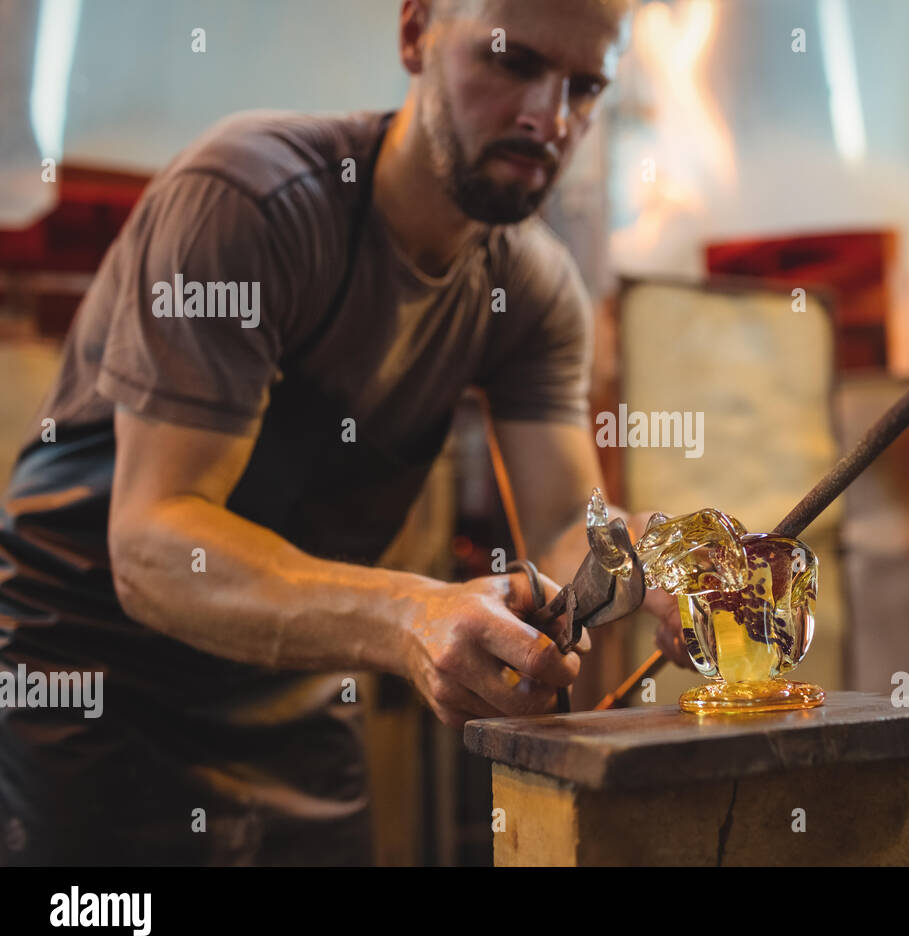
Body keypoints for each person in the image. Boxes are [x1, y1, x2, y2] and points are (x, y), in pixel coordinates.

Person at [0, 0, 685, 866]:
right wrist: (409, 613)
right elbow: (153, 543)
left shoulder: (534, 291)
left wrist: (656, 559)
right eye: (512, 63)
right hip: (88, 691)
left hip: (290, 685)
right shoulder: (249, 199)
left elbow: (563, 529)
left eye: (585, 87)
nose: (548, 119)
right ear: (414, 34)